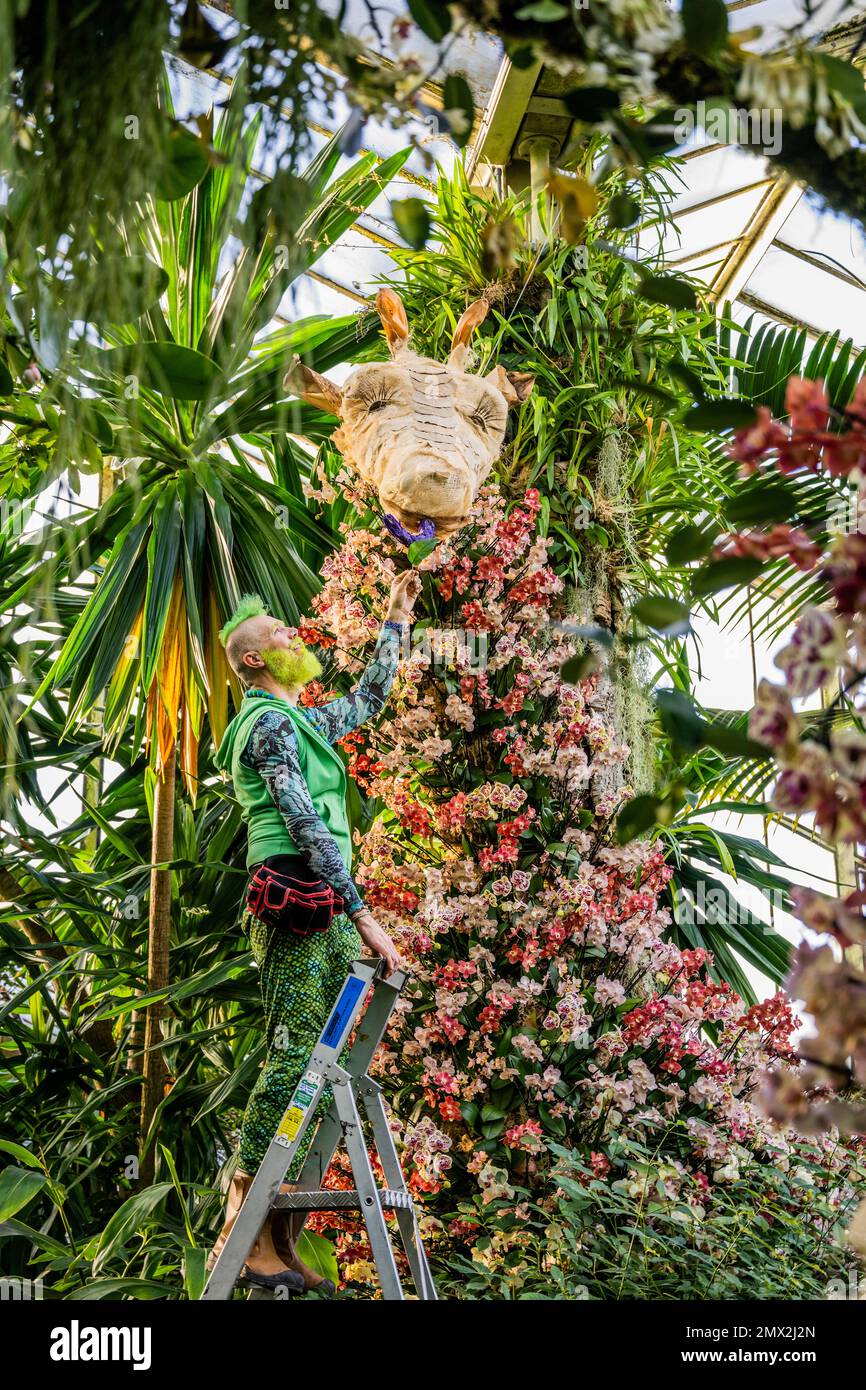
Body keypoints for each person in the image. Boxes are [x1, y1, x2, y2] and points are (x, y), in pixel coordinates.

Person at [207, 570, 419, 1294]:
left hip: (322, 902)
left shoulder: (299, 718)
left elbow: (367, 701)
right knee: (294, 1049)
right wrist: (366, 915)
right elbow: (304, 822)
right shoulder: (265, 723)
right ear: (257, 661)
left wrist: (396, 618)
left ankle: (279, 1234)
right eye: (279, 635)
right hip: (298, 896)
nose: (296, 636)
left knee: (324, 1067)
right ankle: (242, 1225)